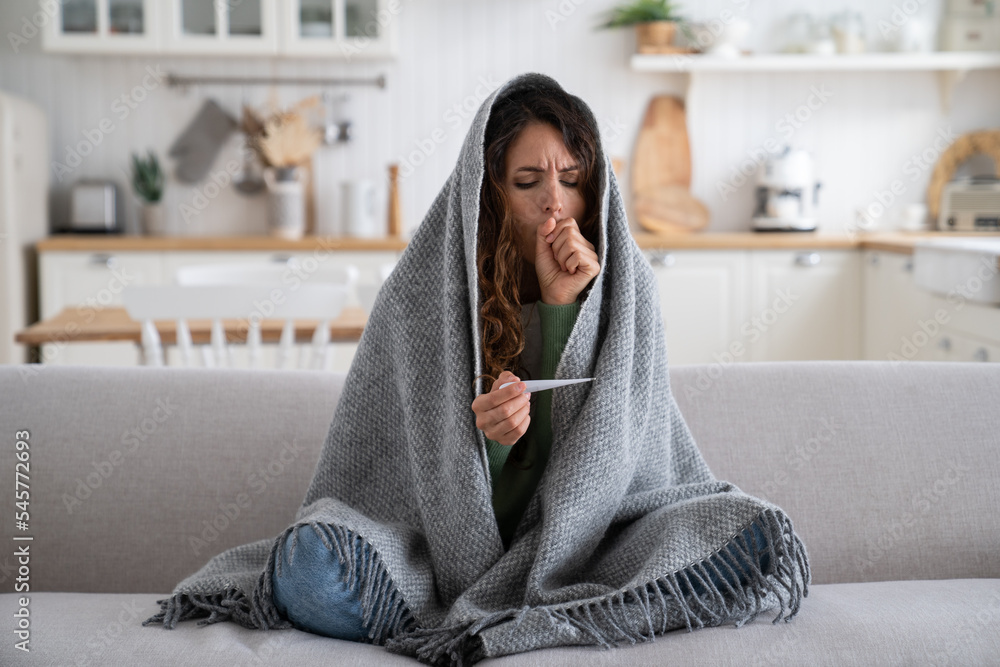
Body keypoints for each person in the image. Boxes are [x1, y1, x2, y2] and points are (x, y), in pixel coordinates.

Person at [270, 81, 770, 644]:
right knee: (311, 568)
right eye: (528, 182)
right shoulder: (418, 296)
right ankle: (539, 614)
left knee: (748, 536)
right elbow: (416, 489)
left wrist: (561, 307)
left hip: (593, 543)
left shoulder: (629, 292)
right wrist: (491, 444)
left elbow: (611, 468)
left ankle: (536, 607)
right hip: (432, 557)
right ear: (486, 196)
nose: (554, 201)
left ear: (596, 192)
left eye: (572, 181)